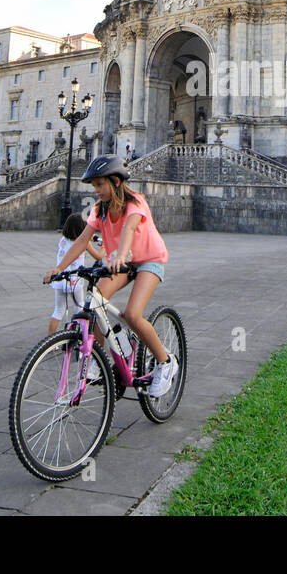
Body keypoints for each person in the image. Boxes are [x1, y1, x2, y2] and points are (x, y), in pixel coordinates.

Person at [43, 155, 178, 398]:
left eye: (100, 185)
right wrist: (60, 268)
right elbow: (83, 240)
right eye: (94, 186)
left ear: (116, 181)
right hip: (122, 262)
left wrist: (121, 254)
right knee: (94, 300)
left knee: (133, 314)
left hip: (149, 260)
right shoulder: (99, 210)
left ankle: (166, 361)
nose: (96, 191)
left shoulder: (136, 203)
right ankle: (99, 358)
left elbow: (129, 227)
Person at [48, 210, 105, 336]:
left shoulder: (62, 240)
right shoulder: (84, 243)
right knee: (80, 308)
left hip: (61, 279)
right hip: (75, 280)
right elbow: (98, 256)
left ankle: (50, 339)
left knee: (58, 311)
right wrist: (103, 247)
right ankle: (81, 337)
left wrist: (91, 237)